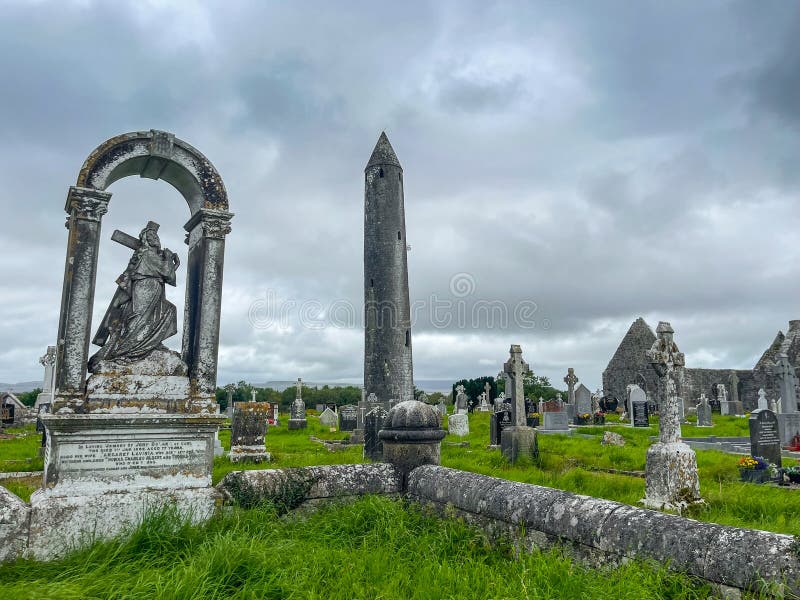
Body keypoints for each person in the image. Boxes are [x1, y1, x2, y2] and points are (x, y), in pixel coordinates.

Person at [89, 221, 180, 371]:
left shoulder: (152, 255)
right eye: (151, 236)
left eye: (156, 236)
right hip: (145, 286)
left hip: (155, 286)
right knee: (140, 318)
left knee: (167, 310)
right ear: (146, 240)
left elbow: (168, 276)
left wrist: (172, 264)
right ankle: (125, 350)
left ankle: (151, 343)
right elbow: (166, 273)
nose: (155, 238)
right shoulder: (147, 254)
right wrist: (169, 259)